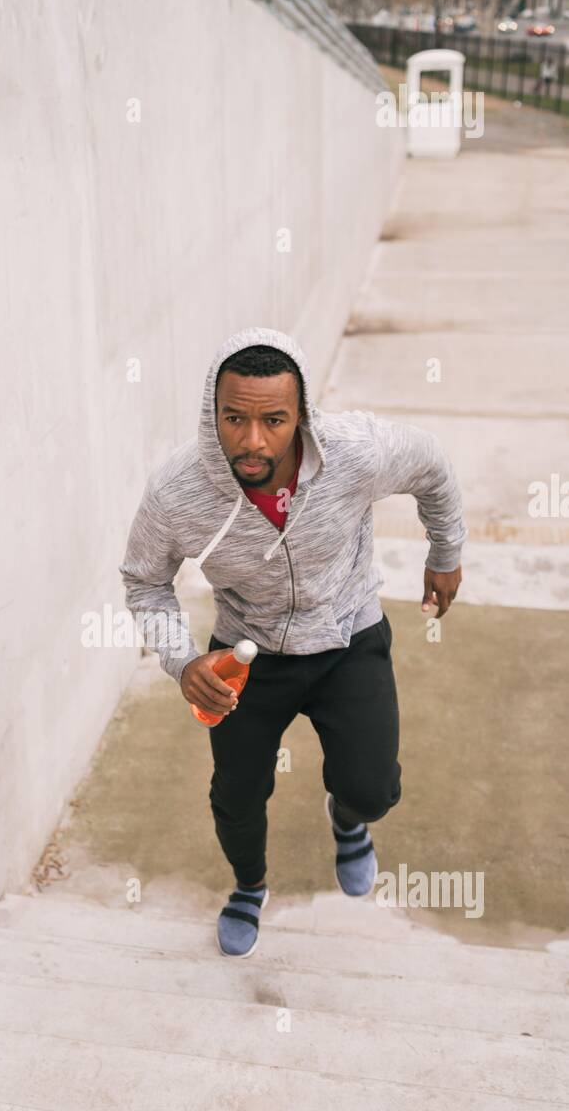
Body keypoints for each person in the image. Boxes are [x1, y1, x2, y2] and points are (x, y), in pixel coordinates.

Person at [119, 326, 466, 957]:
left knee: (373, 789)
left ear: (302, 414)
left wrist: (445, 551)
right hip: (247, 657)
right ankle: (249, 888)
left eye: (274, 420)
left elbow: (433, 465)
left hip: (348, 637)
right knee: (237, 796)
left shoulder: (356, 452)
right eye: (234, 419)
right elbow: (144, 583)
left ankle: (348, 818)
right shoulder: (177, 492)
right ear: (212, 414)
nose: (253, 442)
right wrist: (182, 658)